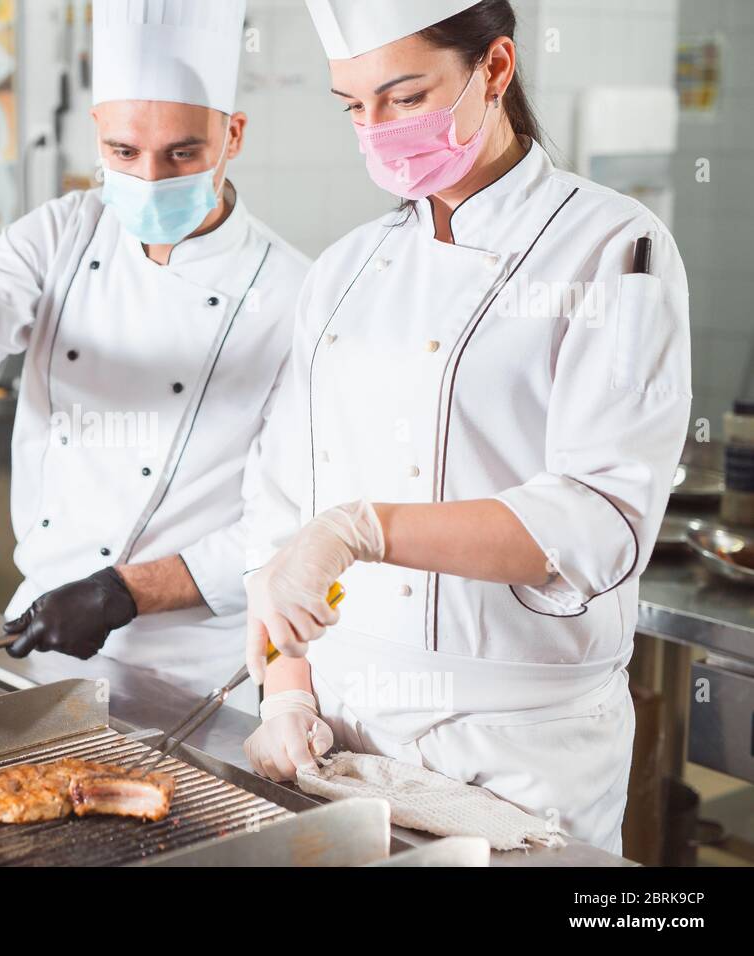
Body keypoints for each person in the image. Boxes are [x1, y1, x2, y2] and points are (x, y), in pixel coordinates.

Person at [242, 0, 690, 853]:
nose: (375, 130)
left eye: (405, 98)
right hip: (342, 733)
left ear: (495, 67)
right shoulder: (344, 271)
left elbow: (598, 520)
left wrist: (363, 529)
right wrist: (288, 688)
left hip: (515, 751)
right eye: (352, 105)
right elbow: (276, 507)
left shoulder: (614, 246)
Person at [0, 0, 309, 706]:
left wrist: (123, 592)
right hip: (44, 628)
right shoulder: (65, 232)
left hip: (199, 668)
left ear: (232, 134)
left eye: (182, 153)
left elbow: (288, 524)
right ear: (96, 134)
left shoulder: (296, 293)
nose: (148, 177)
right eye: (123, 152)